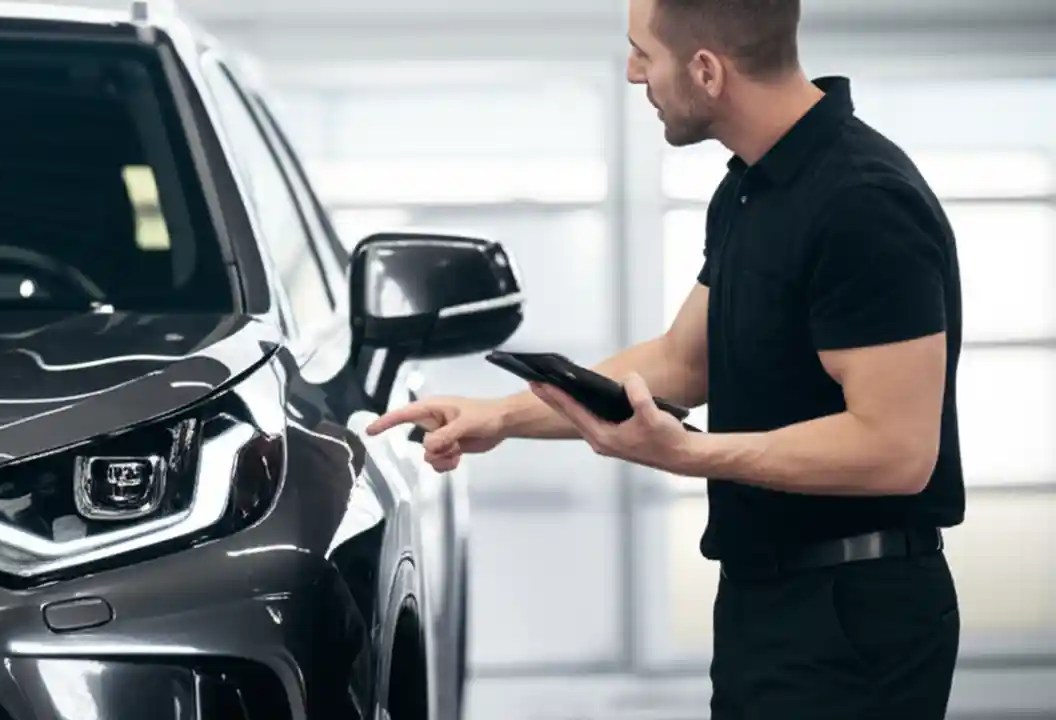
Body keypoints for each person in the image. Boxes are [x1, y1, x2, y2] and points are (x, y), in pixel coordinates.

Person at [366, 0, 965, 717]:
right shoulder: (752, 186)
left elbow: (896, 450)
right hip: (764, 601)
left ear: (707, 71)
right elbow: (685, 361)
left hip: (856, 614)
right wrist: (501, 416)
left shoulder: (863, 203)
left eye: (644, 53)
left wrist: (687, 455)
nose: (631, 74)